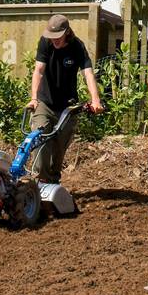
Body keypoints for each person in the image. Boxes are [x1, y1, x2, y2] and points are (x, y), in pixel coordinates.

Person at [29, 14, 104, 183]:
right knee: (39, 142)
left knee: (59, 149)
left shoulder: (77, 46)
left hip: (67, 107)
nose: (54, 40)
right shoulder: (45, 42)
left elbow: (88, 74)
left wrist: (95, 100)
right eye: (51, 36)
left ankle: (53, 183)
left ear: (67, 32)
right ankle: (40, 183)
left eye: (58, 37)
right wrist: (34, 98)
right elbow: (38, 70)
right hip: (44, 102)